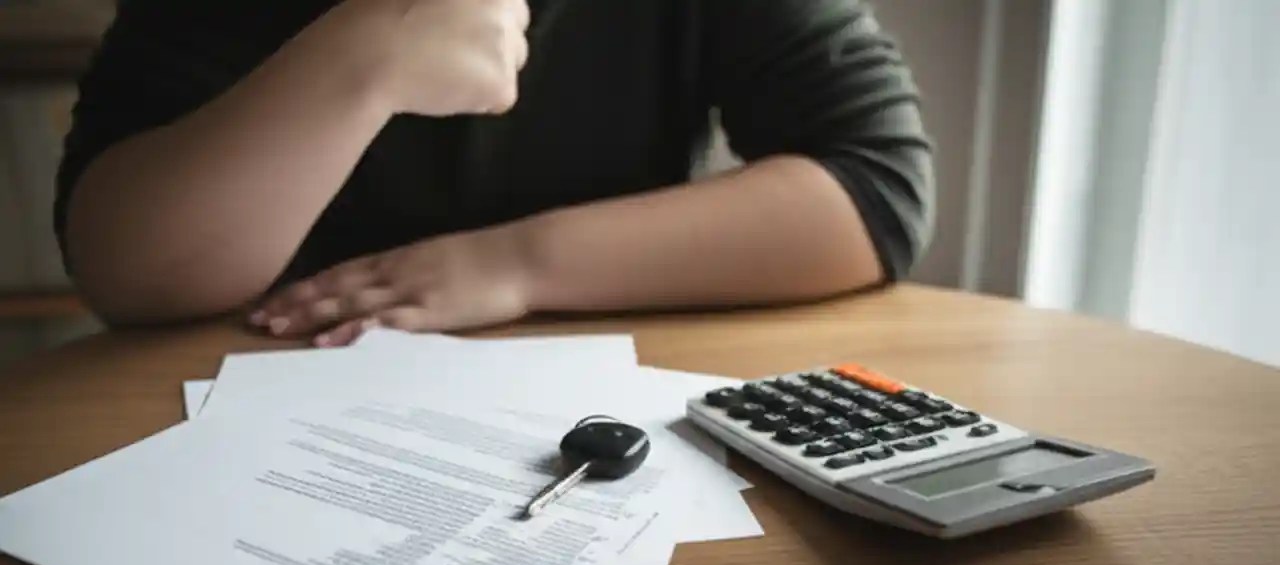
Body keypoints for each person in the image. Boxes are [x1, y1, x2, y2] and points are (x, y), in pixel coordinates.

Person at [53, 0, 934, 347]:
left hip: (599, 413)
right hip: (255, 382)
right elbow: (128, 271)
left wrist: (514, 263)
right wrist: (364, 58)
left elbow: (873, 191)